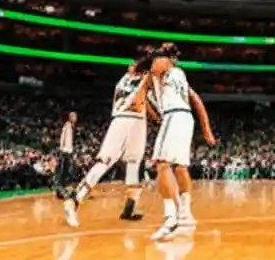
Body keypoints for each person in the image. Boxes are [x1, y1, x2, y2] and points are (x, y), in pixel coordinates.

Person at [63, 52, 153, 228]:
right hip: (132, 121)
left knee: (116, 162)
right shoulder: (144, 78)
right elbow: (141, 100)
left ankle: (129, 209)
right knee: (129, 164)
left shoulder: (123, 80)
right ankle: (74, 200)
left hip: (119, 119)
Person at [148, 43, 216, 242]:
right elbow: (197, 101)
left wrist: (207, 130)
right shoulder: (177, 76)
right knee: (179, 167)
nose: (154, 62)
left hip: (174, 116)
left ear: (168, 61)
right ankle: (185, 215)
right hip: (183, 118)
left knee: (162, 165)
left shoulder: (171, 73)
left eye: (157, 58)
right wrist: (206, 130)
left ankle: (171, 219)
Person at [54, 111, 77, 199]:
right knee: (65, 172)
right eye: (74, 117)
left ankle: (62, 191)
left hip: (66, 152)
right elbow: (64, 140)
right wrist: (65, 151)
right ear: (70, 117)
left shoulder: (69, 126)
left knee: (66, 172)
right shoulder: (67, 126)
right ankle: (62, 191)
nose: (75, 119)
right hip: (66, 152)